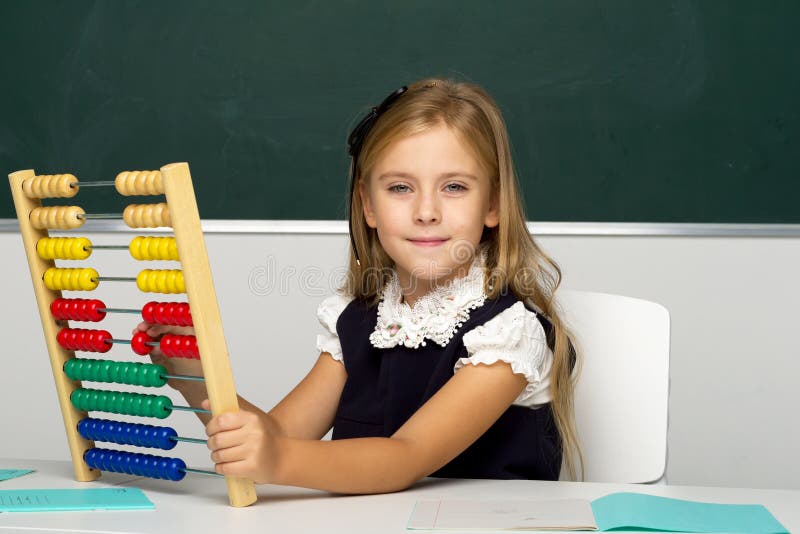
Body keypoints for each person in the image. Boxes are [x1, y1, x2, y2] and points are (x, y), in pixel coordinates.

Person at [138, 78, 582, 494]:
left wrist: (276, 458)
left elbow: (406, 457)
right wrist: (195, 377)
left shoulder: (507, 335)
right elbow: (279, 437)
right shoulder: (360, 321)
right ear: (368, 206)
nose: (426, 211)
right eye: (401, 187)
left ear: (492, 204)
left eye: (453, 186)